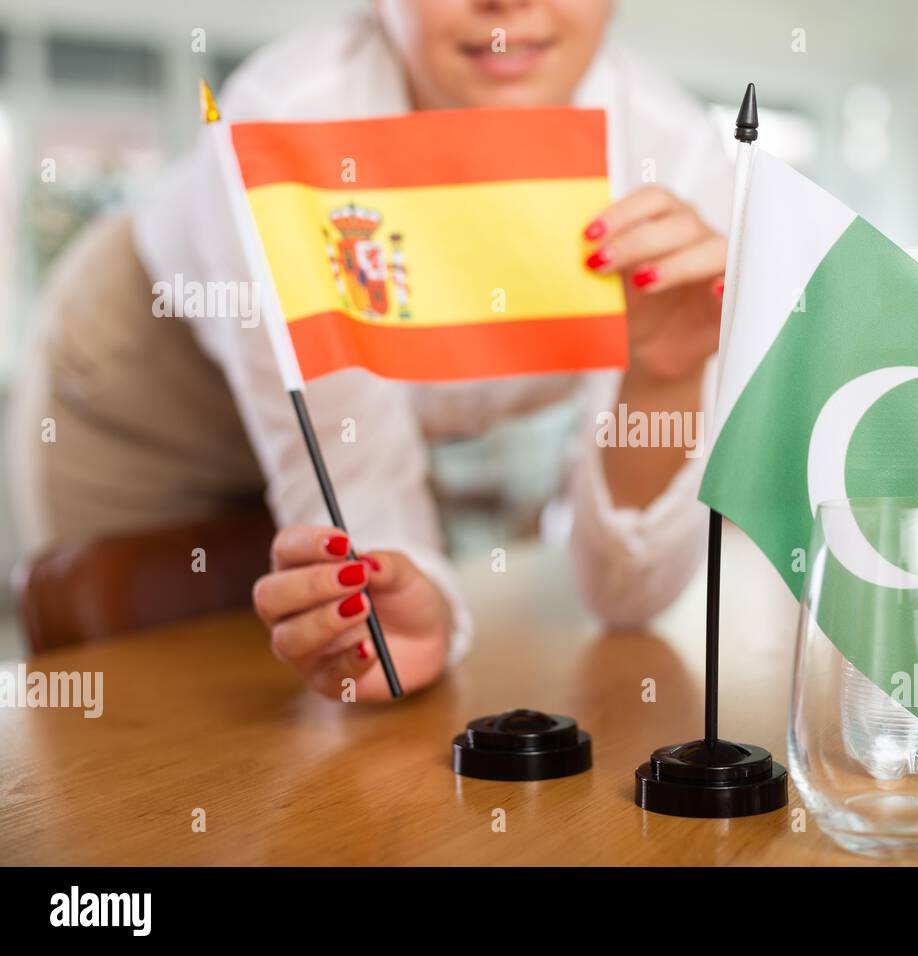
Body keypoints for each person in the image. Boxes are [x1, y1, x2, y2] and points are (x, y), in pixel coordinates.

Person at [10, 0, 732, 700]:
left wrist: (665, 376)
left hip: (374, 424)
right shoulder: (287, 117)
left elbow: (628, 595)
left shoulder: (677, 158)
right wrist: (414, 602)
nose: (509, 1)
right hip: (149, 394)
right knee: (148, 706)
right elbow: (349, 467)